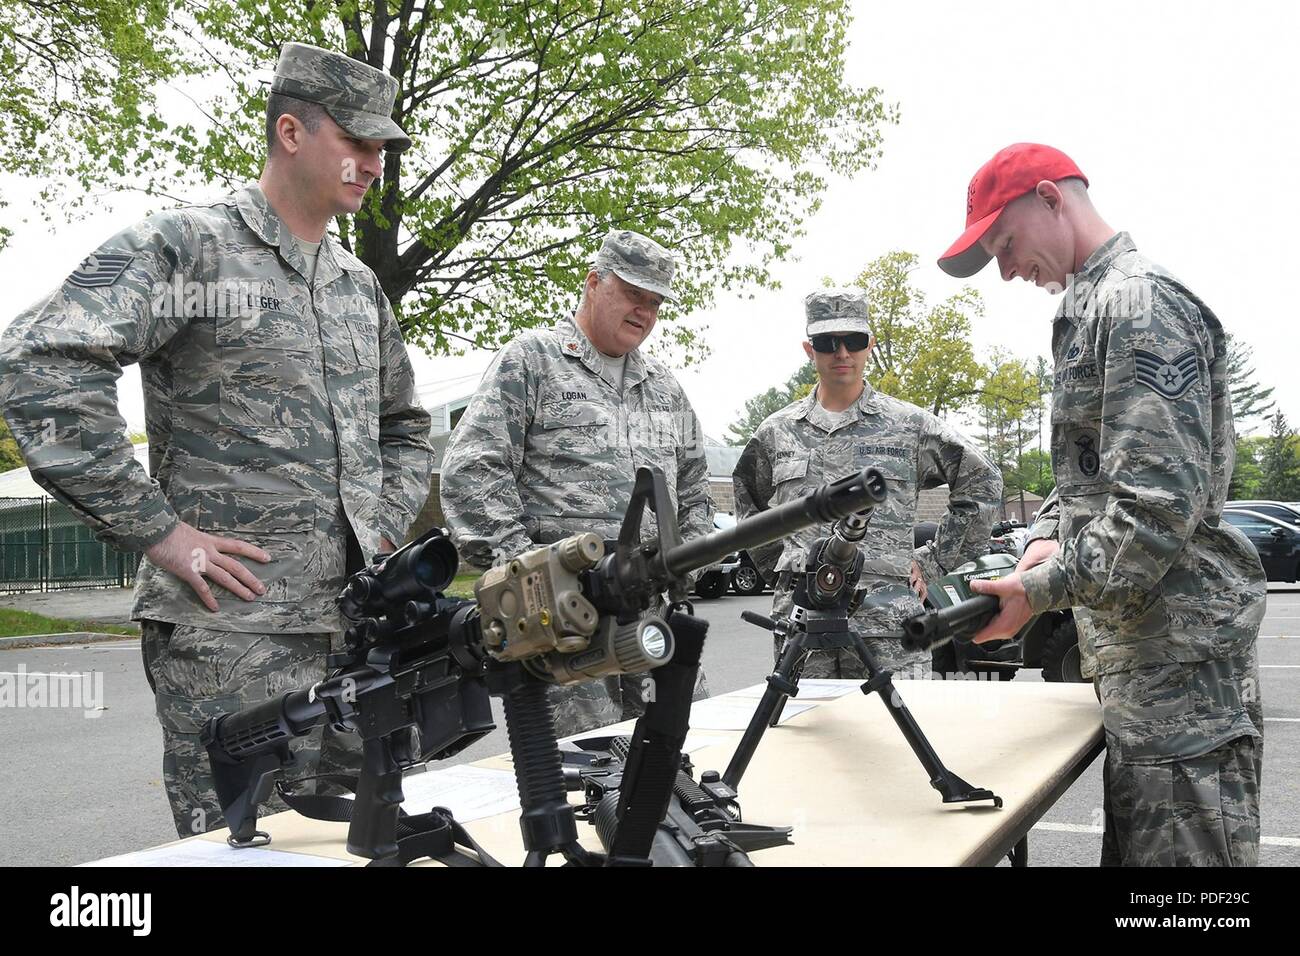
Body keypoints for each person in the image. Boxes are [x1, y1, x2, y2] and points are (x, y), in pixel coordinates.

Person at [0, 42, 434, 837]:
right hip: (233, 641)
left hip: (358, 636)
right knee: (246, 855)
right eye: (358, 141)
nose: (374, 162)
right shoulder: (190, 248)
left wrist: (378, 523)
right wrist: (158, 533)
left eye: (383, 147)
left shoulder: (357, 285)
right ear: (291, 132)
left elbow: (404, 428)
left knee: (370, 847)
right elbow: (42, 363)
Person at [938, 142, 1266, 866]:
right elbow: (1092, 475)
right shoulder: (1091, 307)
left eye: (1006, 242)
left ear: (1052, 199)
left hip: (1182, 692)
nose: (1006, 268)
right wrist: (1045, 536)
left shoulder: (1138, 304)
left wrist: (1037, 590)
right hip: (1146, 682)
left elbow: (1154, 508)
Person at [440, 230, 712, 736]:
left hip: (654, 617)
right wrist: (530, 579)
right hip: (569, 626)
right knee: (582, 780)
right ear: (593, 283)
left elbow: (695, 488)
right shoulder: (533, 360)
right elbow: (472, 471)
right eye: (633, 294)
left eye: (655, 302)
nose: (644, 312)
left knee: (679, 765)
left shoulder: (665, 388)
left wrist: (685, 561)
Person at [732, 289, 1000, 678]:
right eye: (827, 342)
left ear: (870, 345)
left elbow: (983, 482)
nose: (842, 353)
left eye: (854, 341)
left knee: (894, 736)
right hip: (803, 628)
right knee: (809, 734)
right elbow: (748, 502)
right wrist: (784, 569)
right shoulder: (777, 433)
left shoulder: (910, 426)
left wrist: (934, 561)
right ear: (809, 349)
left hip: (889, 629)